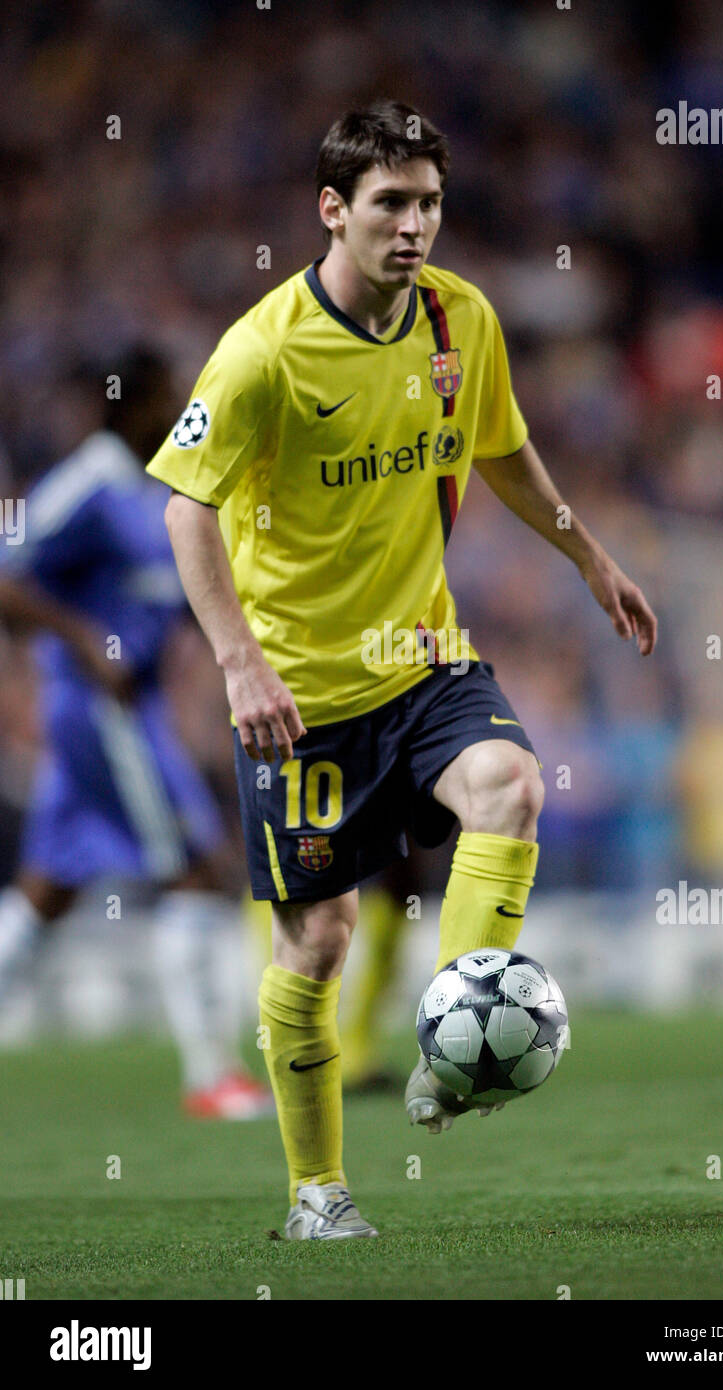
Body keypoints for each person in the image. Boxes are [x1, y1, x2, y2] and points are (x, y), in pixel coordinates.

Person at [147, 101, 657, 1240]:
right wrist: (238, 665)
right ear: (332, 210)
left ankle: (451, 1036)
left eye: (429, 201)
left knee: (511, 786)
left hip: (423, 658)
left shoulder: (459, 318)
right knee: (317, 941)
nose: (416, 223)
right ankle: (316, 1194)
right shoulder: (265, 349)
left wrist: (589, 553)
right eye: (391, 203)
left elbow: (503, 445)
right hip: (302, 695)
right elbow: (187, 510)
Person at [0, 349, 272, 1119]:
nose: (176, 411)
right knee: (195, 866)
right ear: (125, 406)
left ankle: (211, 1070)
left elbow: (172, 589)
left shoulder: (154, 487)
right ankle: (210, 1075)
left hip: (130, 707)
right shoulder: (83, 485)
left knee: (50, 890)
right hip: (101, 709)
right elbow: (7, 578)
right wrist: (86, 643)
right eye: (163, 400)